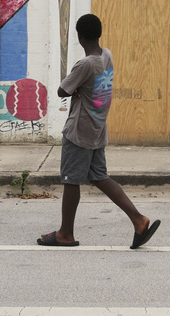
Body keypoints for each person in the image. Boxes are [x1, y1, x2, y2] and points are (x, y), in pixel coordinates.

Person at [37, 14, 160, 249]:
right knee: (99, 176)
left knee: (71, 180)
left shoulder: (85, 64)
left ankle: (65, 234)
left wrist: (75, 88)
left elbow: (62, 90)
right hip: (97, 128)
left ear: (80, 37)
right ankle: (138, 220)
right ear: (98, 34)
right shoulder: (107, 55)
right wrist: (79, 88)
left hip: (79, 131)